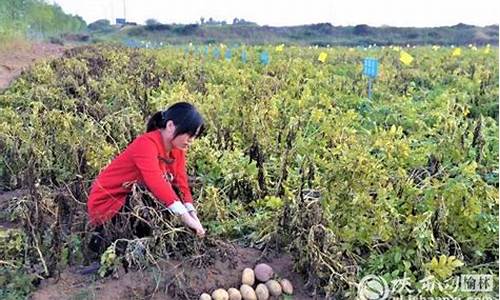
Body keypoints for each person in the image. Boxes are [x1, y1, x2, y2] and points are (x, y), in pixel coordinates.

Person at [87, 102, 206, 254]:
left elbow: (181, 183)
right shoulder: (146, 144)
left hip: (129, 202)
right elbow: (156, 182)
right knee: (149, 193)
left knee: (171, 191)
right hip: (108, 205)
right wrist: (186, 219)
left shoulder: (177, 149)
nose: (191, 140)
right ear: (170, 126)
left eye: (194, 136)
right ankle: (106, 245)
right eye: (189, 134)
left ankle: (140, 246)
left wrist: (193, 215)